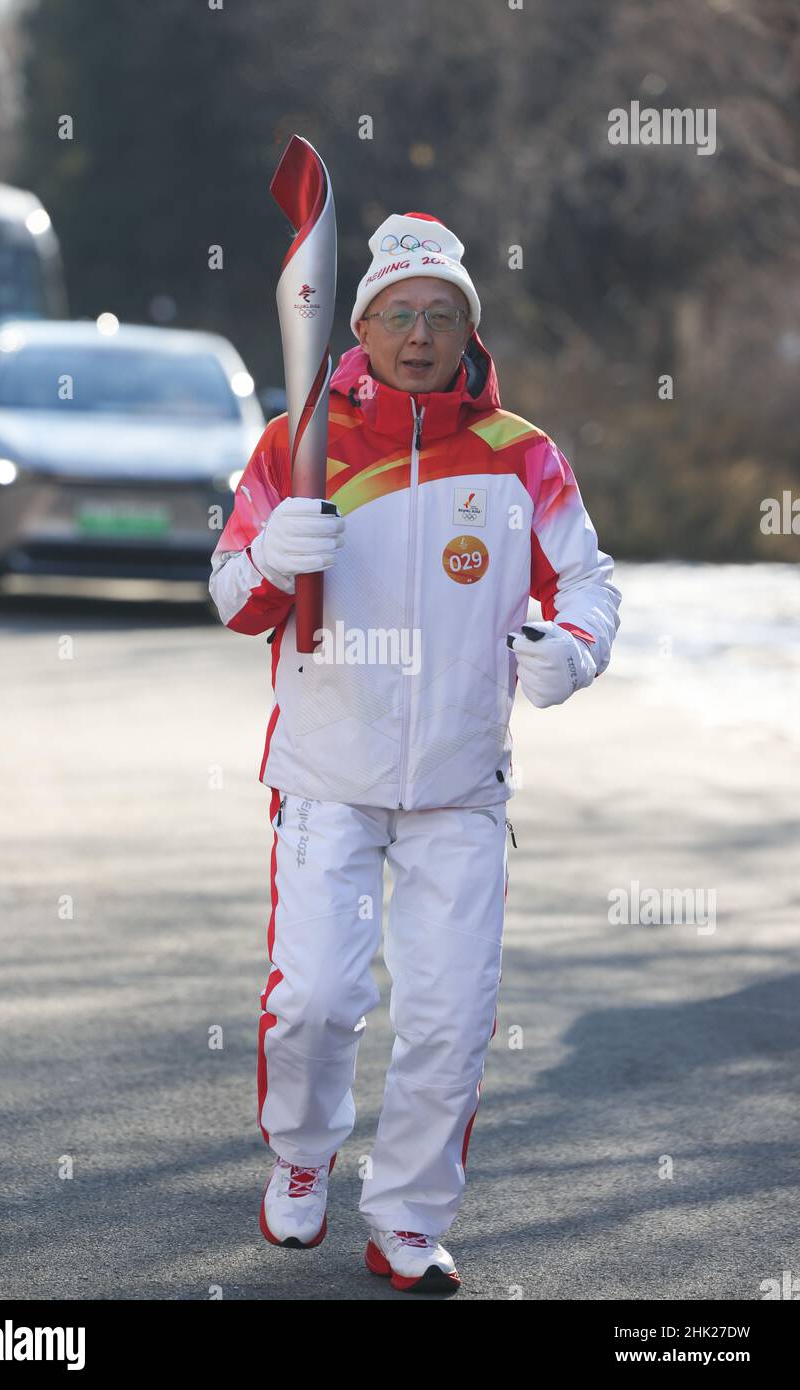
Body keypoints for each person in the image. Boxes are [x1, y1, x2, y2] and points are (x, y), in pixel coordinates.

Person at [209, 211, 621, 1293]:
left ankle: (407, 1218)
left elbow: (588, 583)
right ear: (361, 326)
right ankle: (301, 1157)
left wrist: (568, 650)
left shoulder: (517, 454)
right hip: (325, 777)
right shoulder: (294, 444)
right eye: (400, 314)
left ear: (466, 330)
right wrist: (268, 555)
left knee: (446, 1019)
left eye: (442, 315)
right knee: (316, 1001)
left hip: (458, 783)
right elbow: (229, 594)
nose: (421, 333)